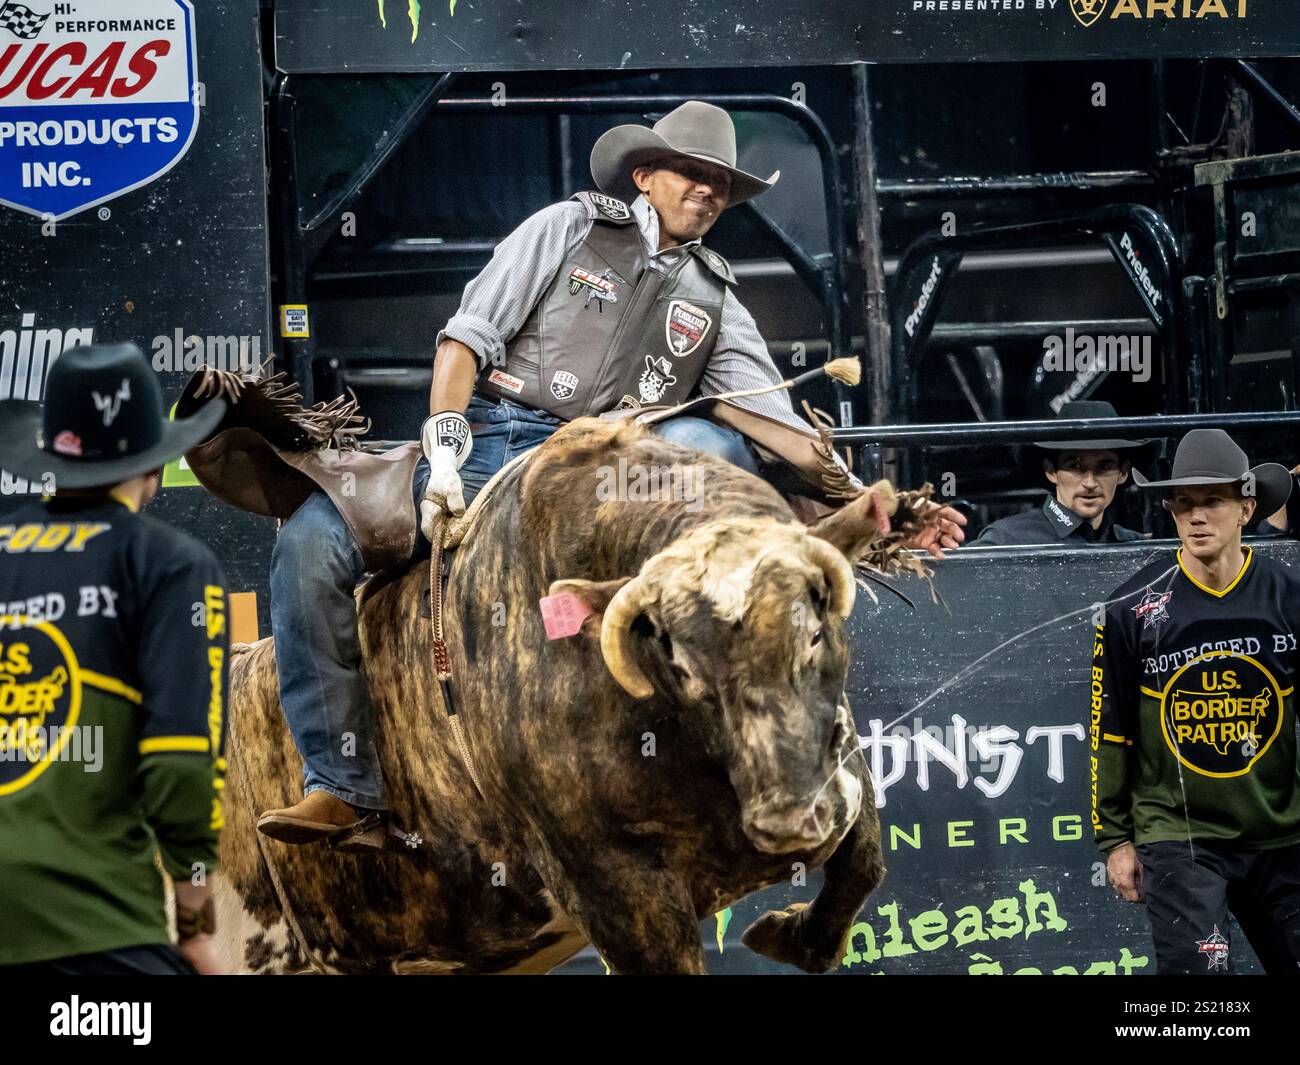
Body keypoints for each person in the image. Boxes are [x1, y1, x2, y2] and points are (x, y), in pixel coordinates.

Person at [257, 100, 966, 847]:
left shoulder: (715, 299)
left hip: (605, 478)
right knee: (309, 539)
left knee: (709, 445)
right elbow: (465, 340)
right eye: (692, 173)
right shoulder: (569, 228)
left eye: (721, 184)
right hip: (493, 439)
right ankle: (343, 787)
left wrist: (874, 507)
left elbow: (777, 425)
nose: (708, 191)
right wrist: (443, 450)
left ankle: (709, 742)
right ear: (645, 174)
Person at [0, 342, 229, 975]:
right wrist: (194, 915)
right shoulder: (170, 564)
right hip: (91, 925)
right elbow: (181, 764)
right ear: (152, 465)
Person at [1092, 428, 1300, 974]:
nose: (1196, 516)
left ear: (1246, 508)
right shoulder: (1131, 608)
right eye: (1183, 503)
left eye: (1212, 500)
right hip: (1178, 833)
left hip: (1281, 828)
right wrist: (1115, 838)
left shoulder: (1288, 597)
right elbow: (1109, 727)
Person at [975, 401, 1149, 546]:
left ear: (1123, 473)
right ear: (1050, 471)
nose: (1089, 483)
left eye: (1103, 467)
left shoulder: (1135, 545)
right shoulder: (1006, 541)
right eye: (1075, 466)